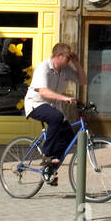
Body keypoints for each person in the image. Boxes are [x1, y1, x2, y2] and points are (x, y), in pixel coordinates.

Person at [23, 43, 87, 184]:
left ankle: (49, 170)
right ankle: (47, 155)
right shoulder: (43, 68)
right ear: (58, 56)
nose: (69, 60)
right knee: (56, 118)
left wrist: (77, 63)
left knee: (68, 136)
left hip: (53, 107)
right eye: (68, 58)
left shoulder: (65, 69)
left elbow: (83, 80)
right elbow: (43, 91)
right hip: (36, 104)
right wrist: (65, 98)